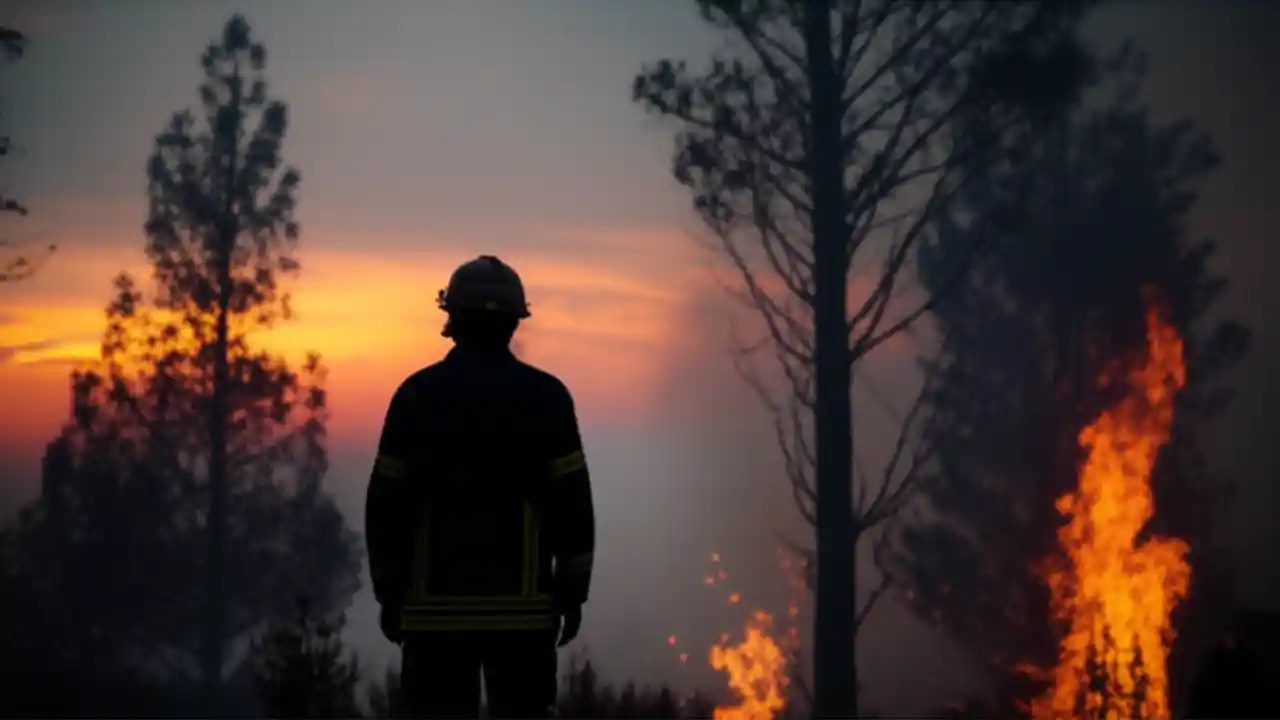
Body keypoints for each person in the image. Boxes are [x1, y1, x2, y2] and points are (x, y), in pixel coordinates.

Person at [365, 255, 595, 718]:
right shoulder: (546, 398)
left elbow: (386, 506)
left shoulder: (416, 396)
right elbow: (572, 506)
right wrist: (571, 593)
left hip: (434, 618)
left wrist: (390, 593)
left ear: (452, 319)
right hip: (524, 618)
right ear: (515, 322)